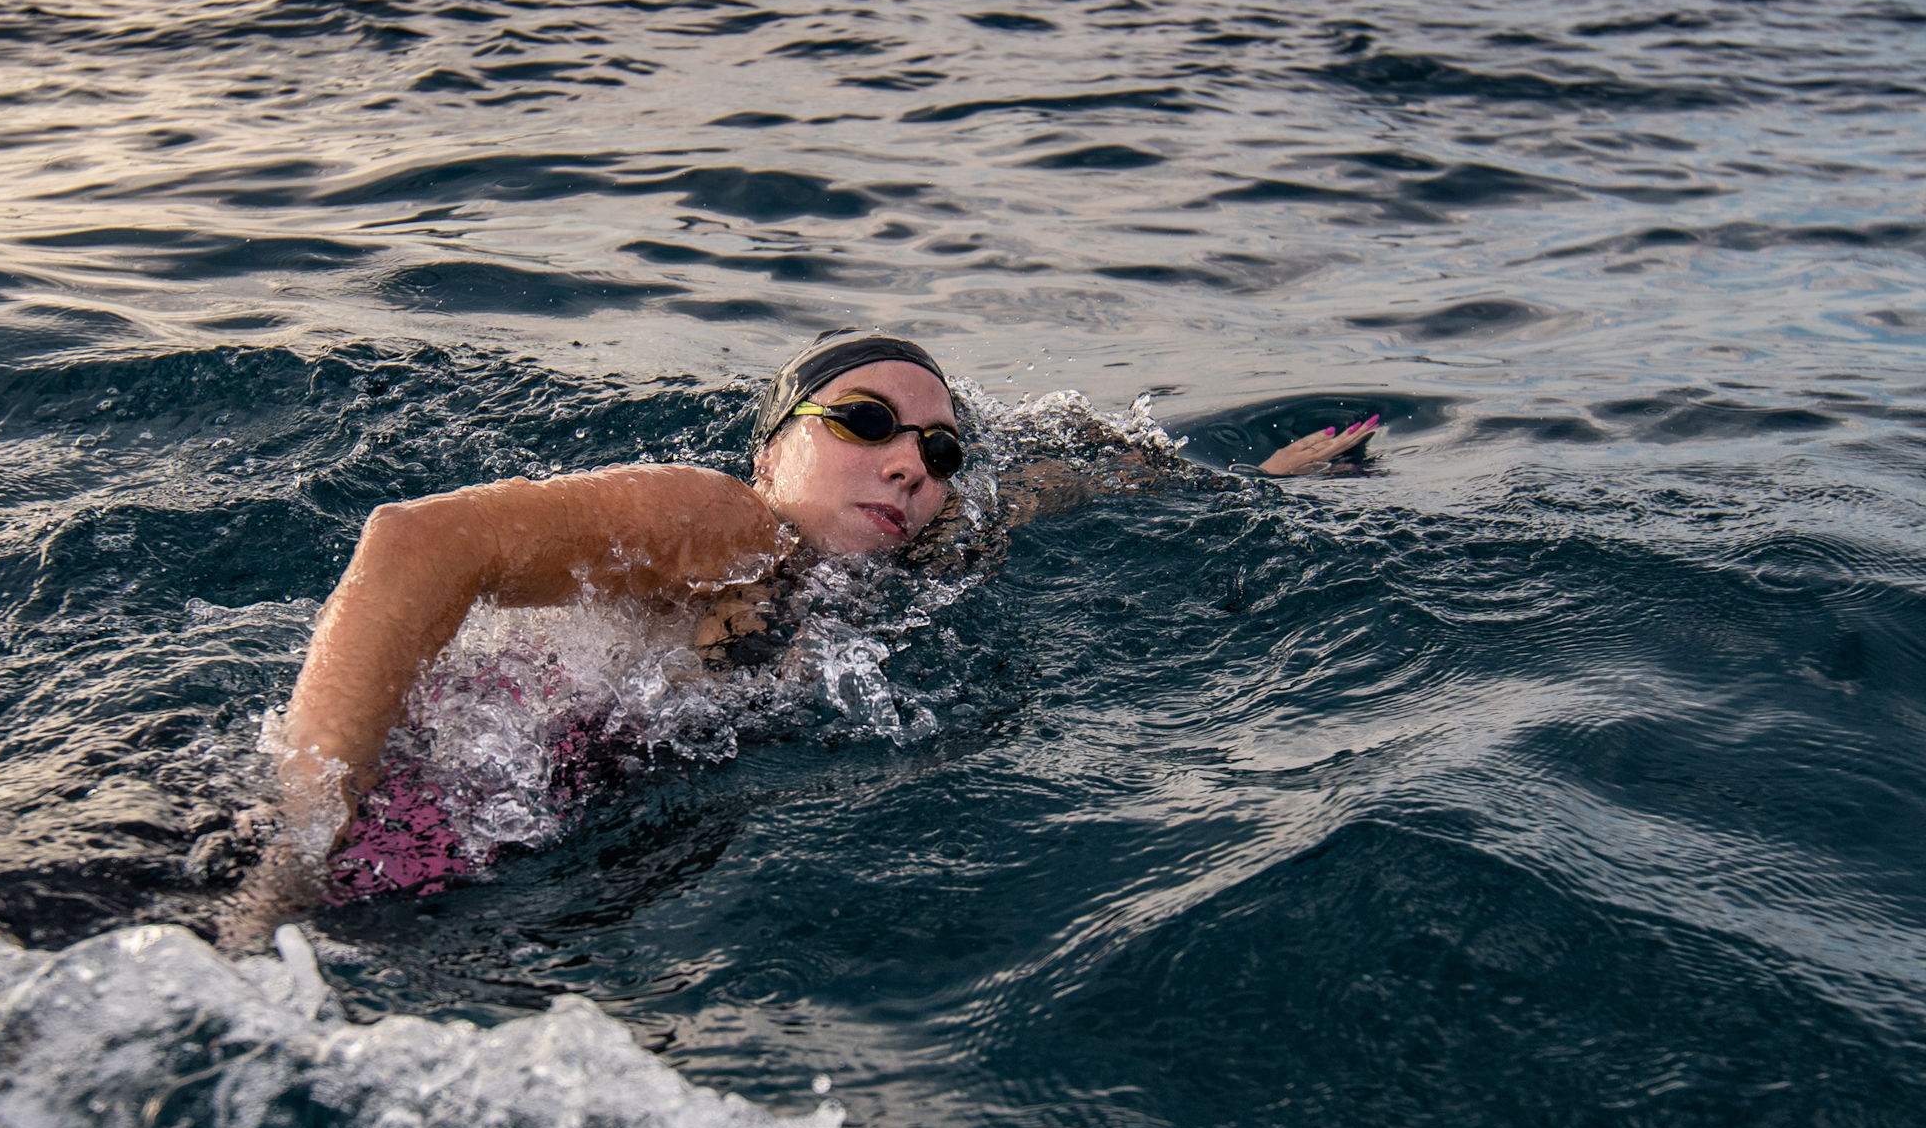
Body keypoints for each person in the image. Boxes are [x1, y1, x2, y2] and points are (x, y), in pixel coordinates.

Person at [223, 332, 1379, 943]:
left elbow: (1066, 479)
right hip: (380, 830)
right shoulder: (724, 521)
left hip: (533, 861)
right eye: (866, 421)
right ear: (773, 447)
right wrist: (298, 846)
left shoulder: (919, 556)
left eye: (939, 451)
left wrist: (1258, 481)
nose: (909, 463)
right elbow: (414, 541)